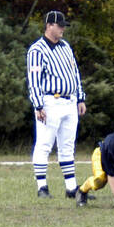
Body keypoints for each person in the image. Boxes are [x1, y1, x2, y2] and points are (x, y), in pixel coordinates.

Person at [27, 10, 86, 200]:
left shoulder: (65, 47)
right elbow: (34, 80)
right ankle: (42, 187)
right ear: (49, 25)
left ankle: (71, 187)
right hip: (50, 100)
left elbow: (74, 73)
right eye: (60, 26)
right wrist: (38, 105)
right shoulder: (37, 50)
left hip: (69, 100)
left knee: (67, 146)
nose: (62, 29)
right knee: (44, 144)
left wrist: (80, 98)